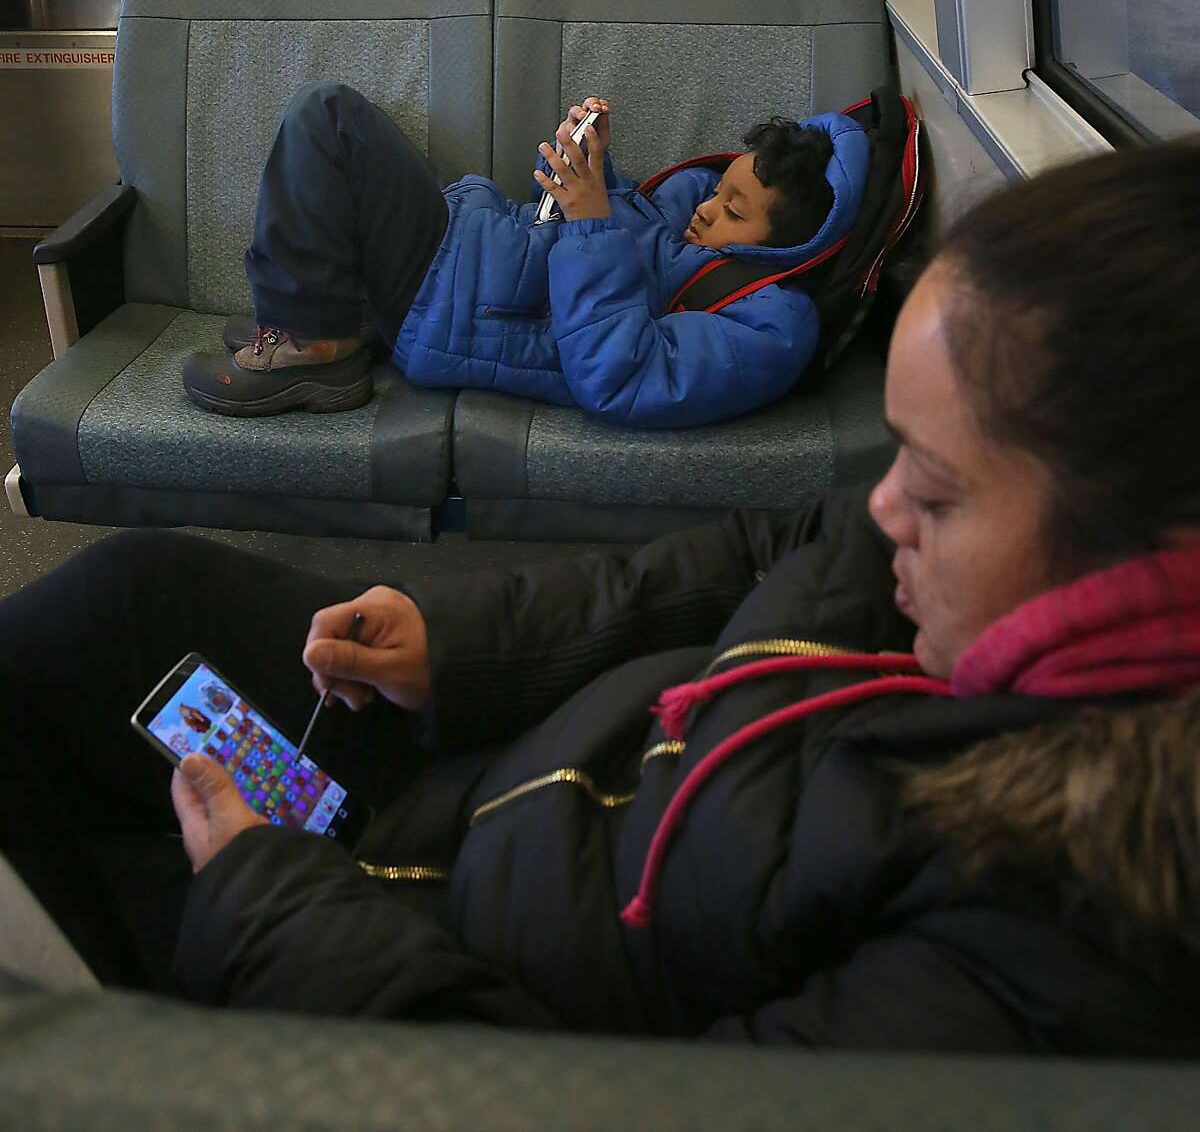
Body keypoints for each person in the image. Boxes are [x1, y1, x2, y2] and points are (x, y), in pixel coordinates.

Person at [2, 136, 1200, 1054]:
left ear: (1152, 568)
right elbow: (765, 546)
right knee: (129, 595)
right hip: (504, 759)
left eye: (934, 495)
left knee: (56, 942)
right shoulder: (928, 577)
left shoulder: (1057, 940)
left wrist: (270, 897)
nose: (882, 512)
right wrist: (463, 643)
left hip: (434, 943)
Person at [180, 87, 868, 427]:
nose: (707, 207)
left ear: (786, 249)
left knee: (328, 120)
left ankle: (315, 348)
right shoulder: (690, 227)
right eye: (722, 189)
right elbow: (632, 238)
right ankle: (326, 314)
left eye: (734, 212)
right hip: (465, 258)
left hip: (448, 298)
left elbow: (624, 375)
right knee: (335, 130)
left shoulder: (770, 326)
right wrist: (590, 160)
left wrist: (590, 216)